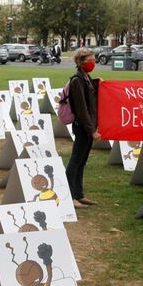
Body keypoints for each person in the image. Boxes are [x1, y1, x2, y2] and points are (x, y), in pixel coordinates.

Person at [65, 47, 100, 208]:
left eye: (94, 60)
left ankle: (79, 195)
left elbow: (90, 95)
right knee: (75, 161)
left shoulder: (86, 78)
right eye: (89, 61)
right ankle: (70, 196)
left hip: (88, 126)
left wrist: (97, 83)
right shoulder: (77, 81)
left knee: (81, 162)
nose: (93, 63)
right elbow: (81, 110)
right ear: (80, 62)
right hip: (82, 127)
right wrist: (92, 130)